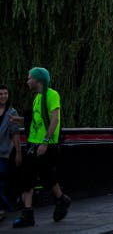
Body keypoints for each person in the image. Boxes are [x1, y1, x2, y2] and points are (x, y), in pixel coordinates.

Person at [11, 68, 71, 228]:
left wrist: (45, 142)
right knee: (43, 175)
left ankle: (29, 214)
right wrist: (19, 120)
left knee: (33, 176)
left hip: (45, 144)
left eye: (29, 78)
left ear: (38, 80)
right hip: (33, 142)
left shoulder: (52, 95)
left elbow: (55, 119)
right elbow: (36, 121)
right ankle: (61, 200)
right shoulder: (37, 97)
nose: (27, 81)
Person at [0, 85, 22, 223]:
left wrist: (18, 153)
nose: (3, 96)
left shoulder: (11, 112)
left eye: (5, 93)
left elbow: (15, 134)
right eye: (0, 94)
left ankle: (3, 208)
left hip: (3, 153)